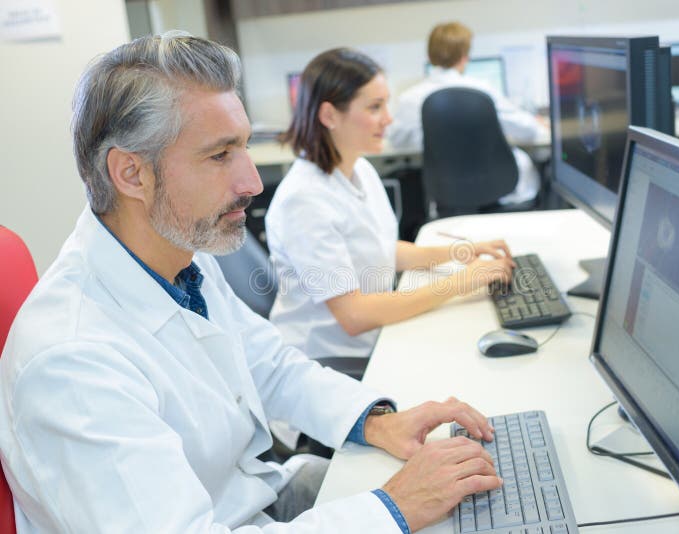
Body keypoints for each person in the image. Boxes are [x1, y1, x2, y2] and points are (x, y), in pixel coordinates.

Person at [0, 32, 503, 533]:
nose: (253, 183)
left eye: (243, 146)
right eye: (220, 156)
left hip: (260, 500)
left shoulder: (177, 256)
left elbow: (270, 365)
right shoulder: (72, 363)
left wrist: (374, 422)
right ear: (131, 174)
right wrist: (392, 509)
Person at [266, 48, 516, 360]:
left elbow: (381, 249)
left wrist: (462, 252)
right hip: (331, 360)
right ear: (329, 115)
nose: (388, 119)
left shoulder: (359, 169)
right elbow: (354, 315)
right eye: (374, 107)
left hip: (375, 336)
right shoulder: (303, 201)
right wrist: (461, 282)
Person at [387, 21, 548, 205]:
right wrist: (537, 123)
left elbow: (396, 141)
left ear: (430, 56)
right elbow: (528, 130)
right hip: (498, 187)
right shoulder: (483, 90)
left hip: (444, 190)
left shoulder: (410, 98)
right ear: (464, 56)